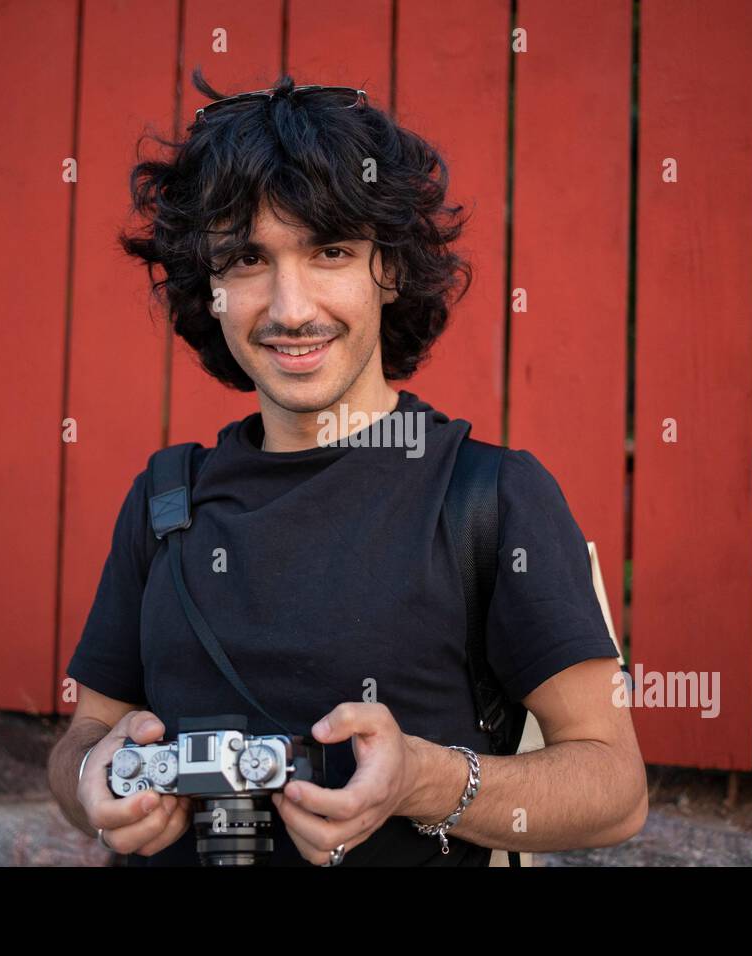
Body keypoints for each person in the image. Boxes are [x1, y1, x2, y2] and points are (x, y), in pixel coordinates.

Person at [47, 69, 647, 866]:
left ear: (389, 270)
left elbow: (616, 790)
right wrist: (92, 772)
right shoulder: (166, 500)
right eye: (247, 260)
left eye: (329, 251)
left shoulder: (488, 498)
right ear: (212, 289)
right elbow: (82, 735)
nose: (290, 308)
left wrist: (424, 781)